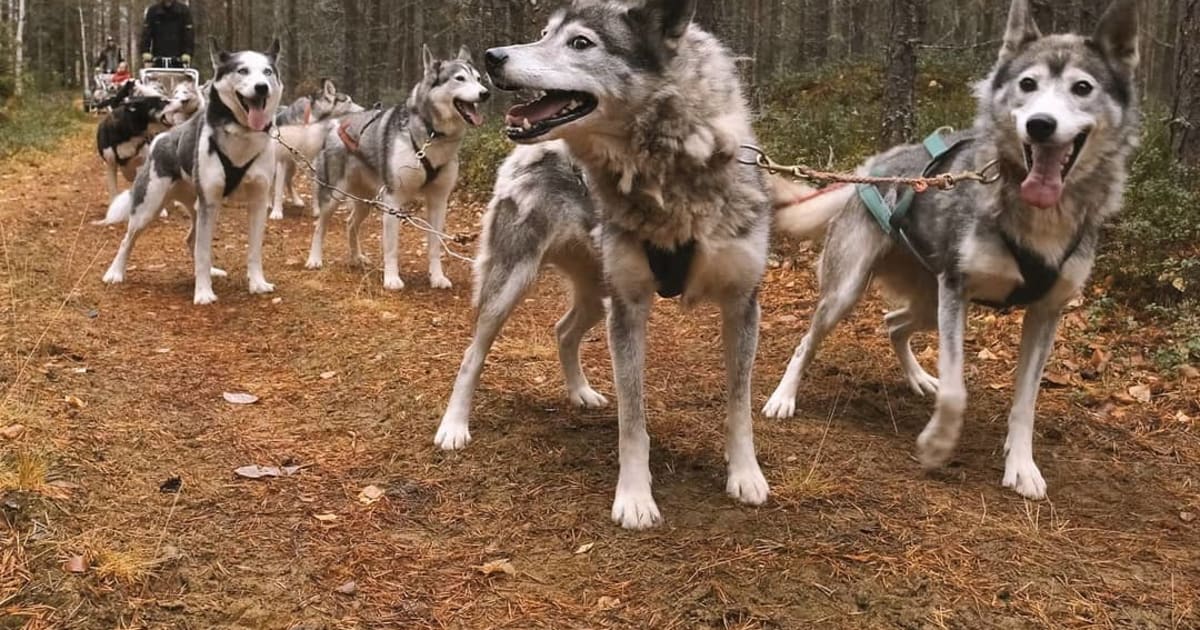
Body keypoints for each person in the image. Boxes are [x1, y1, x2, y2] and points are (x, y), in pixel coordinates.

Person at [140, 0, 195, 68]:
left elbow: (189, 34)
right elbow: (146, 34)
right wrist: (145, 52)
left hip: (179, 60)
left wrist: (187, 53)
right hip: (158, 59)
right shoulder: (153, 11)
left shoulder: (183, 11)